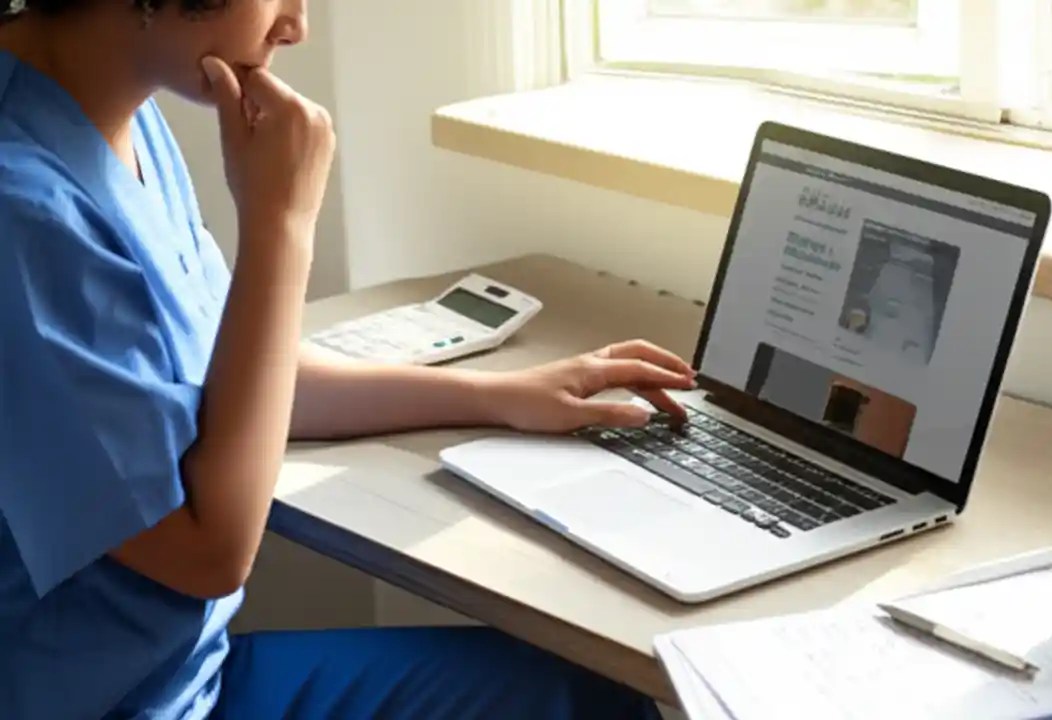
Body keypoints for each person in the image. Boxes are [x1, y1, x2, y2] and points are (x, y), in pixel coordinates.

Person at [0, 1, 695, 718]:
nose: (297, 24)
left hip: (184, 677)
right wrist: (281, 224)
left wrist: (501, 395)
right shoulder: (21, 212)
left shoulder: (120, 112)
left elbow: (243, 387)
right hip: (117, 703)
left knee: (585, 698)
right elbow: (210, 553)